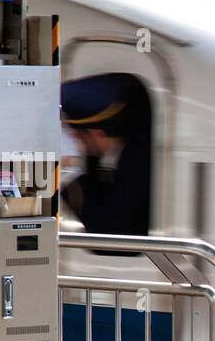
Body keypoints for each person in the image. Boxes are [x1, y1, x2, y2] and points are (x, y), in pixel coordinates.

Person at [59, 73, 152, 238]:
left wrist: (72, 183)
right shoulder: (123, 157)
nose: (80, 147)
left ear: (97, 134)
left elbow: (108, 227)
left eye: (80, 137)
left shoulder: (133, 171)